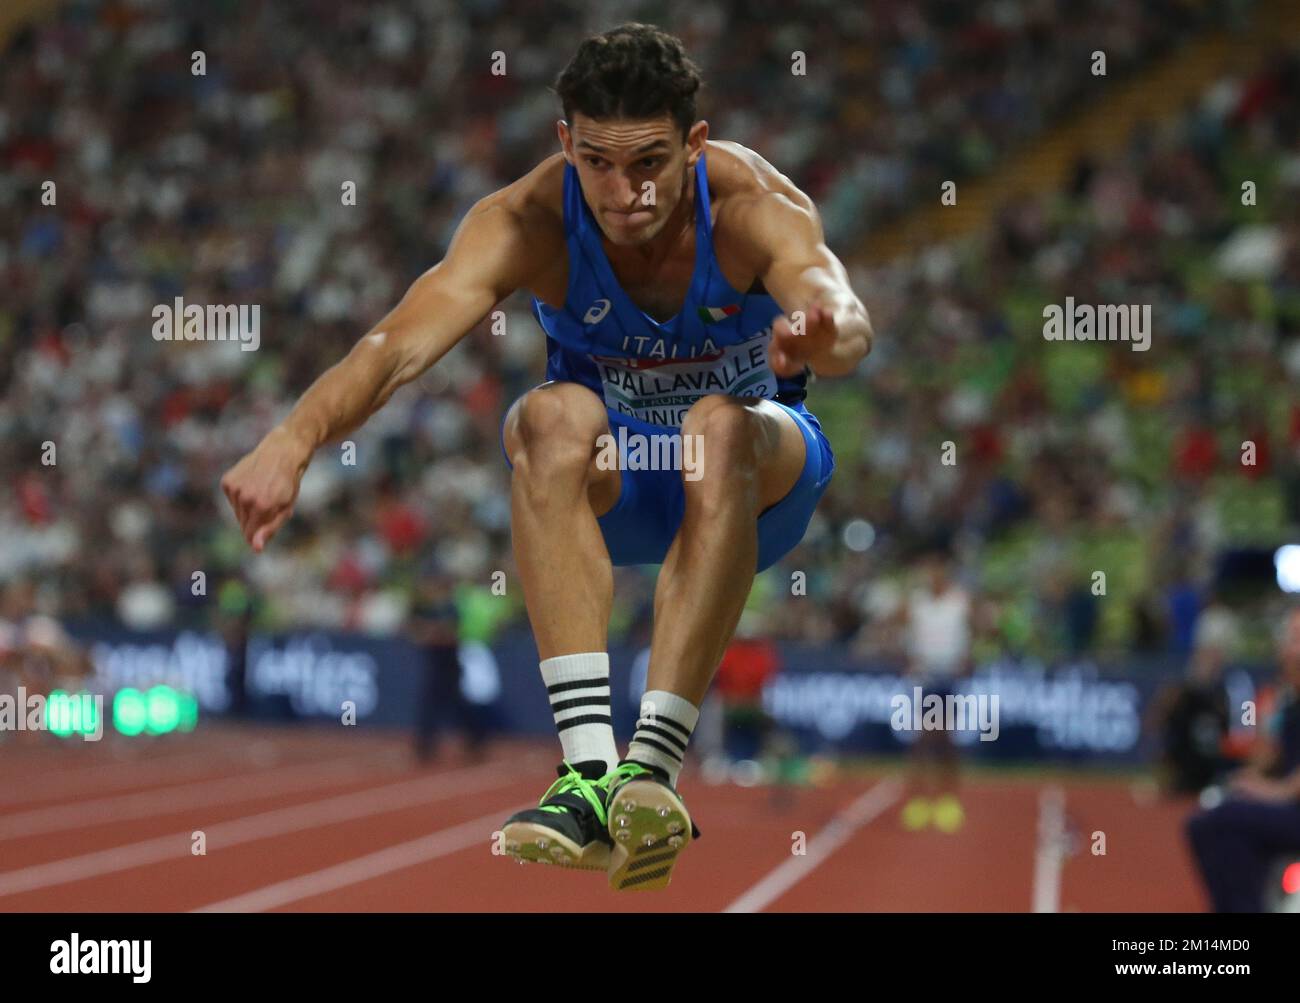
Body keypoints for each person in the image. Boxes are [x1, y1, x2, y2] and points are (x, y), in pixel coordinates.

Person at [220, 23, 872, 891]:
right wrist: (294, 437)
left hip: (756, 479)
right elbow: (396, 346)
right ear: (566, 143)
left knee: (716, 426)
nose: (625, 191)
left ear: (695, 143)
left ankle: (654, 769)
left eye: (649, 161)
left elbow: (839, 307)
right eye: (598, 161)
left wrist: (823, 337)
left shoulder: (752, 206)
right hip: (619, 480)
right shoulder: (527, 219)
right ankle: (590, 776)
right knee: (544, 418)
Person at [1184, 608, 1300, 911]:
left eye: (1295, 639)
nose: (1287, 647)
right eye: (1288, 638)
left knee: (1227, 821)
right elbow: (1269, 756)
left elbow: (1291, 787)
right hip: (1287, 806)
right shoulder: (1287, 699)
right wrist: (1244, 779)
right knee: (1203, 825)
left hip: (1291, 804)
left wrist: (1267, 792)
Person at [896, 550, 973, 833]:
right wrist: (908, 659)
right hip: (924, 678)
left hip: (949, 677)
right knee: (923, 739)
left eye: (938, 569)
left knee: (946, 739)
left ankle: (948, 799)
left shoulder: (959, 601)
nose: (933, 575)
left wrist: (966, 660)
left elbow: (972, 636)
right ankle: (918, 800)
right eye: (929, 570)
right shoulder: (916, 602)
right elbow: (902, 634)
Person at [407, 570, 484, 763]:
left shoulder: (450, 608)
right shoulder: (427, 608)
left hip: (450, 665)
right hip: (435, 664)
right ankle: (425, 746)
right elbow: (415, 632)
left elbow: (449, 634)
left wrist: (431, 632)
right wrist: (430, 632)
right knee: (430, 706)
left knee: (457, 706)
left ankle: (476, 739)